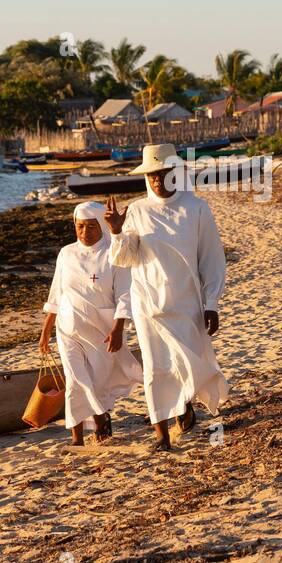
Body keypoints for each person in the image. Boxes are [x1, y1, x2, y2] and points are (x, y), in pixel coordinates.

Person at [106, 143, 227, 452]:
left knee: (190, 364)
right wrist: (118, 233)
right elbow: (123, 259)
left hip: (186, 301)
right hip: (147, 303)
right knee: (155, 368)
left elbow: (211, 259)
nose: (158, 180)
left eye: (163, 173)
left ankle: (183, 404)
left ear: (176, 172)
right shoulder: (136, 211)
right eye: (152, 175)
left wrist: (211, 303)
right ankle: (160, 432)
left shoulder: (196, 208)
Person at [39, 202, 142, 445]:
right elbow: (57, 293)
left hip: (102, 330)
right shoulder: (66, 253)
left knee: (97, 381)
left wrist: (118, 328)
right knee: (75, 381)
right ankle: (77, 438)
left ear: (102, 227)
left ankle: (101, 417)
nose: (85, 233)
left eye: (91, 227)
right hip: (67, 329)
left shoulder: (113, 253)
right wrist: (45, 331)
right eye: (80, 226)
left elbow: (125, 294)